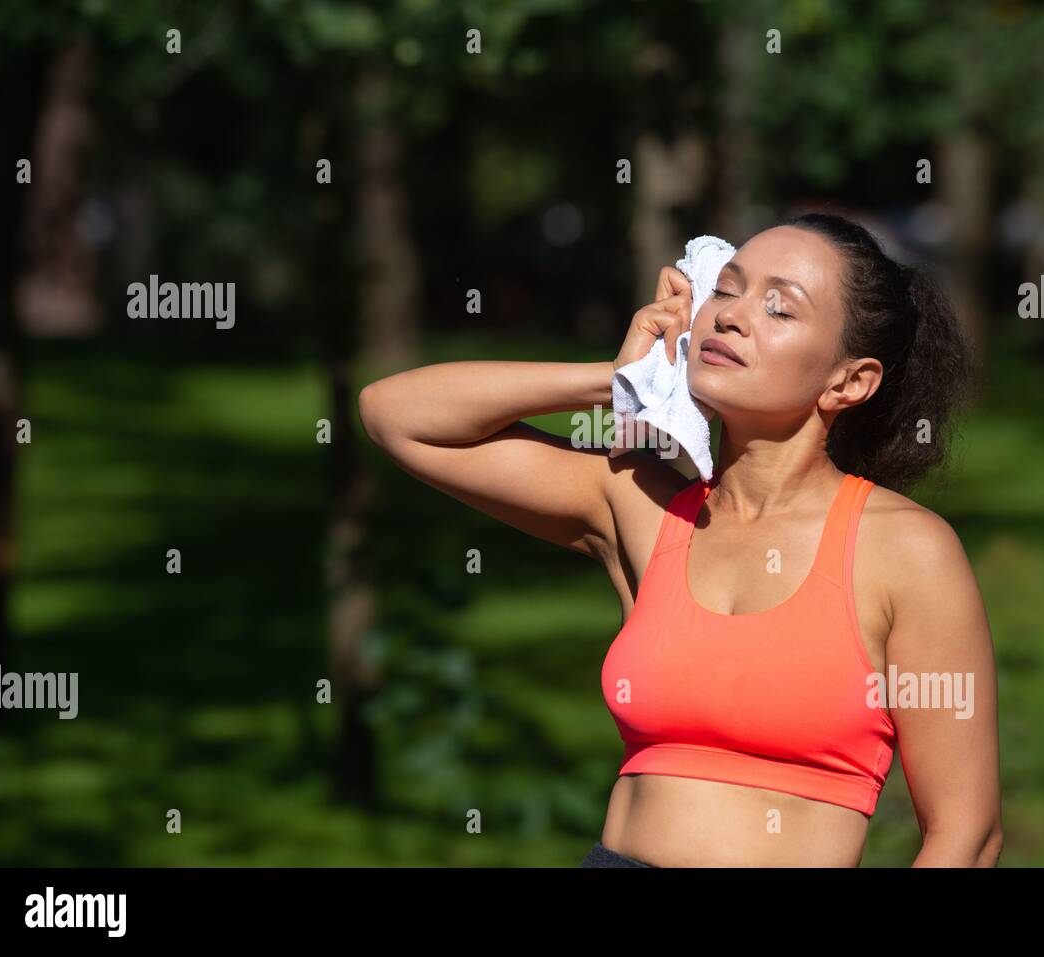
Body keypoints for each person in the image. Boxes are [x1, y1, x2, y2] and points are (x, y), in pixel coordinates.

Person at [359, 209, 1002, 867]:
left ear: (849, 381)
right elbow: (396, 416)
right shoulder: (641, 503)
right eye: (726, 289)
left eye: (780, 308)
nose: (731, 315)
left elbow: (966, 834)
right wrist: (618, 381)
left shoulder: (906, 551)